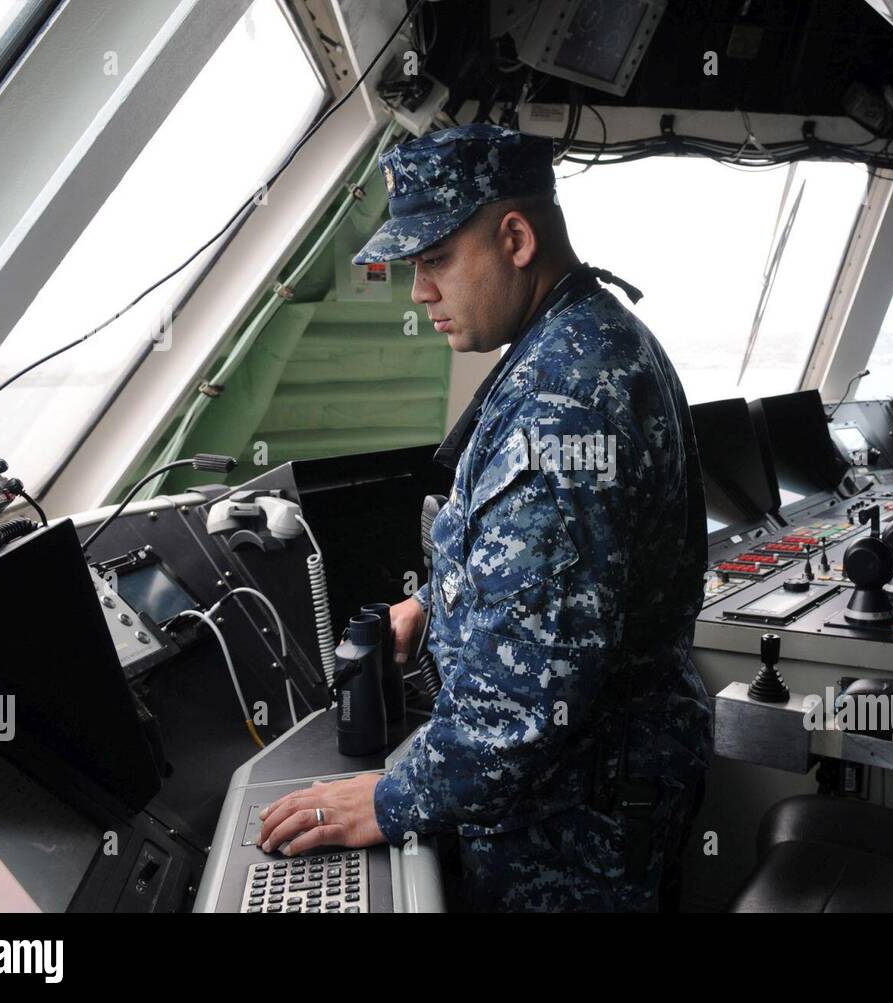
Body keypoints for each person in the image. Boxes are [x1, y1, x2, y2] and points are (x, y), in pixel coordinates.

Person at [257, 123, 712, 911]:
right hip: (602, 787)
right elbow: (559, 574)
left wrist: (391, 798)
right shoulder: (580, 341)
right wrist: (433, 605)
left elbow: (527, 694)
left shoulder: (562, 405)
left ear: (515, 237)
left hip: (578, 827)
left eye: (435, 260)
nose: (419, 291)